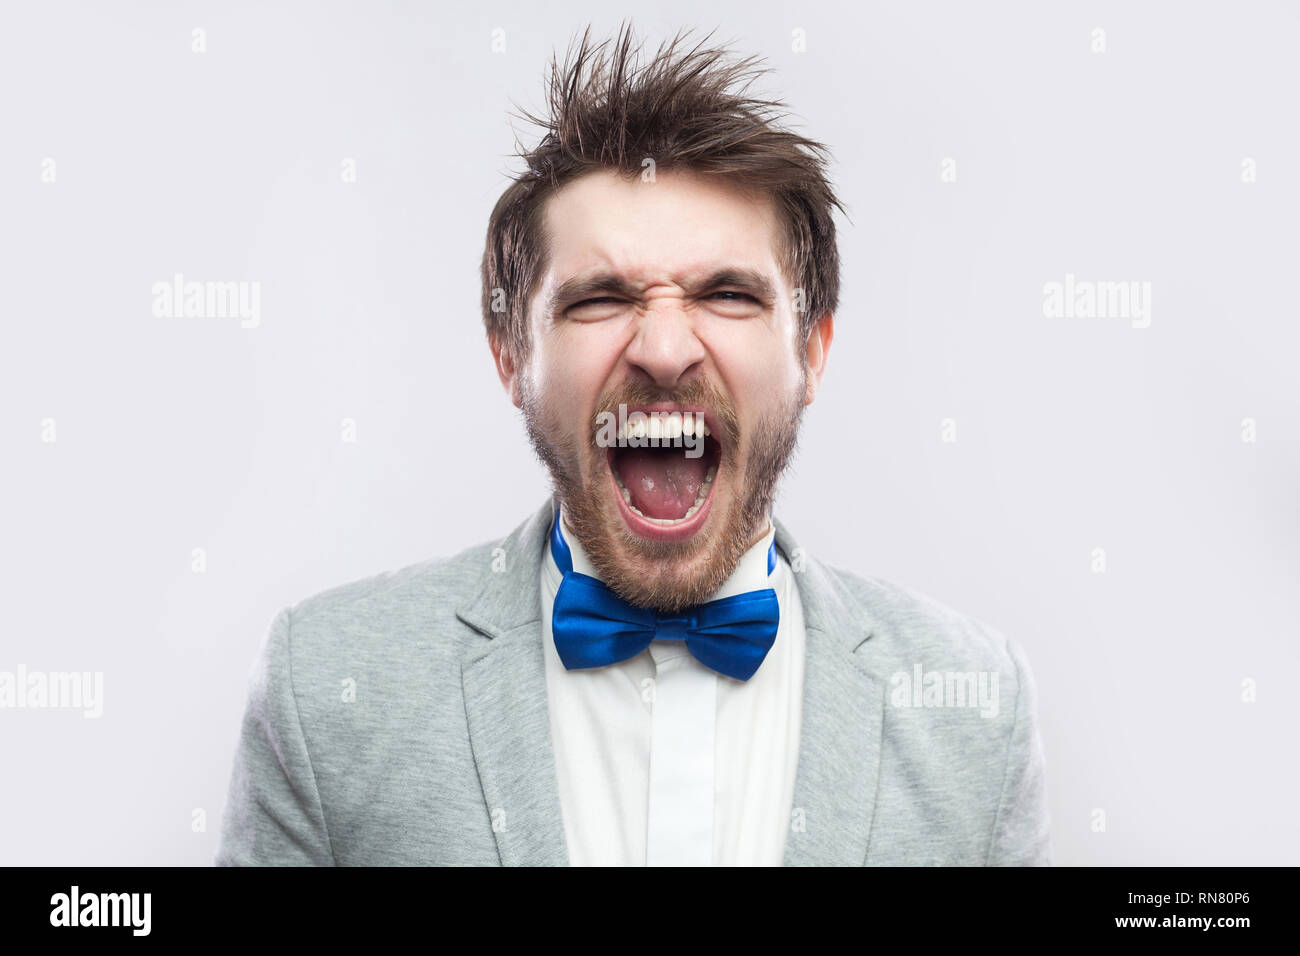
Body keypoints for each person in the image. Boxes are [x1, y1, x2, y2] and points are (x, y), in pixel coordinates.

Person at [216, 23, 1051, 867]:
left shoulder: (978, 710)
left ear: (813, 351)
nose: (663, 348)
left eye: (728, 294)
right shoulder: (322, 688)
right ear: (510, 356)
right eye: (600, 299)